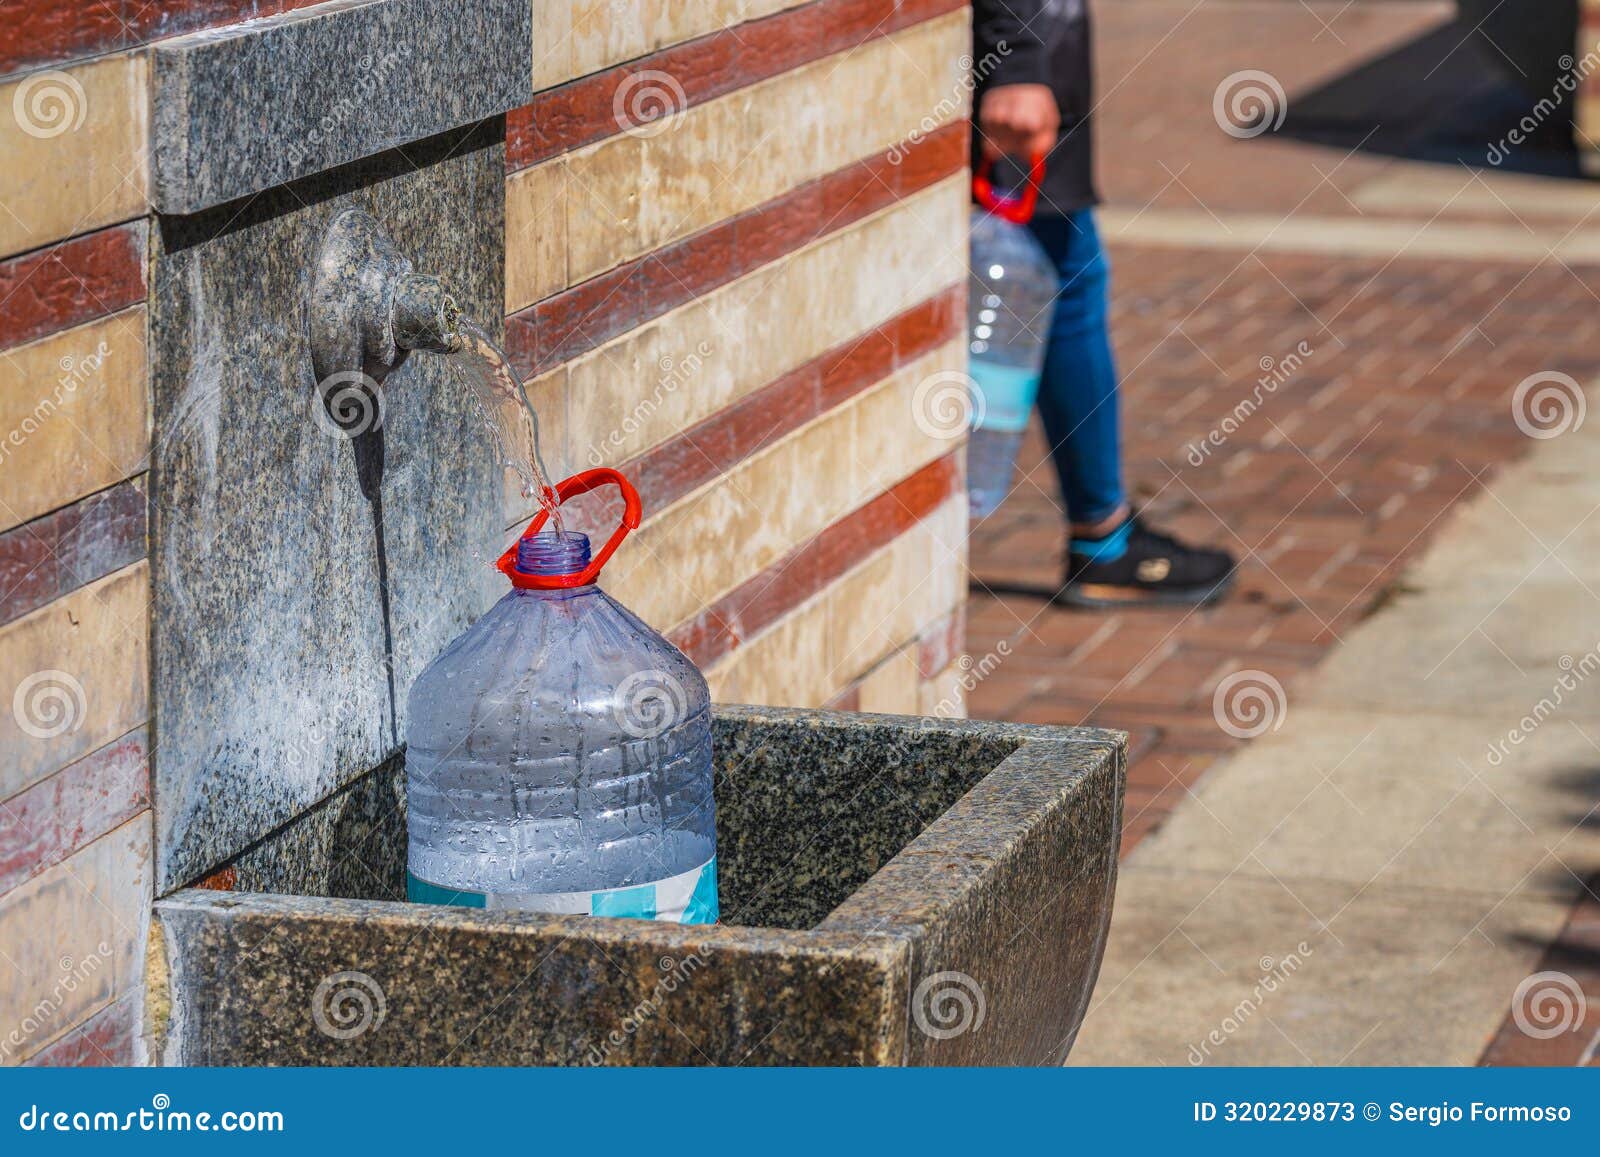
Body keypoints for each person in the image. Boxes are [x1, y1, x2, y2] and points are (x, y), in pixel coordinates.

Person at [971, 0, 1236, 607]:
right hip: (1018, 54)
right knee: (1058, 282)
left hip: (1035, 47)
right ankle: (1102, 539)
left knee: (1057, 279)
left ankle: (1103, 535)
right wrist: (1016, 58)